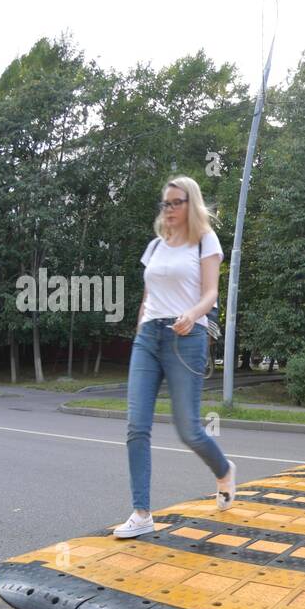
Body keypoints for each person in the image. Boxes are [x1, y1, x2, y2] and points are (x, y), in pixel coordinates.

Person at [113, 175, 236, 539]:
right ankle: (141, 512)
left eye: (175, 202)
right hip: (148, 338)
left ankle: (224, 469)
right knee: (136, 426)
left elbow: (211, 293)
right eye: (164, 203)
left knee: (188, 429)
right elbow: (147, 297)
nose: (168, 209)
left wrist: (193, 315)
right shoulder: (154, 247)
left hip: (187, 337)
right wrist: (139, 331)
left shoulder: (205, 242)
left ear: (191, 204)